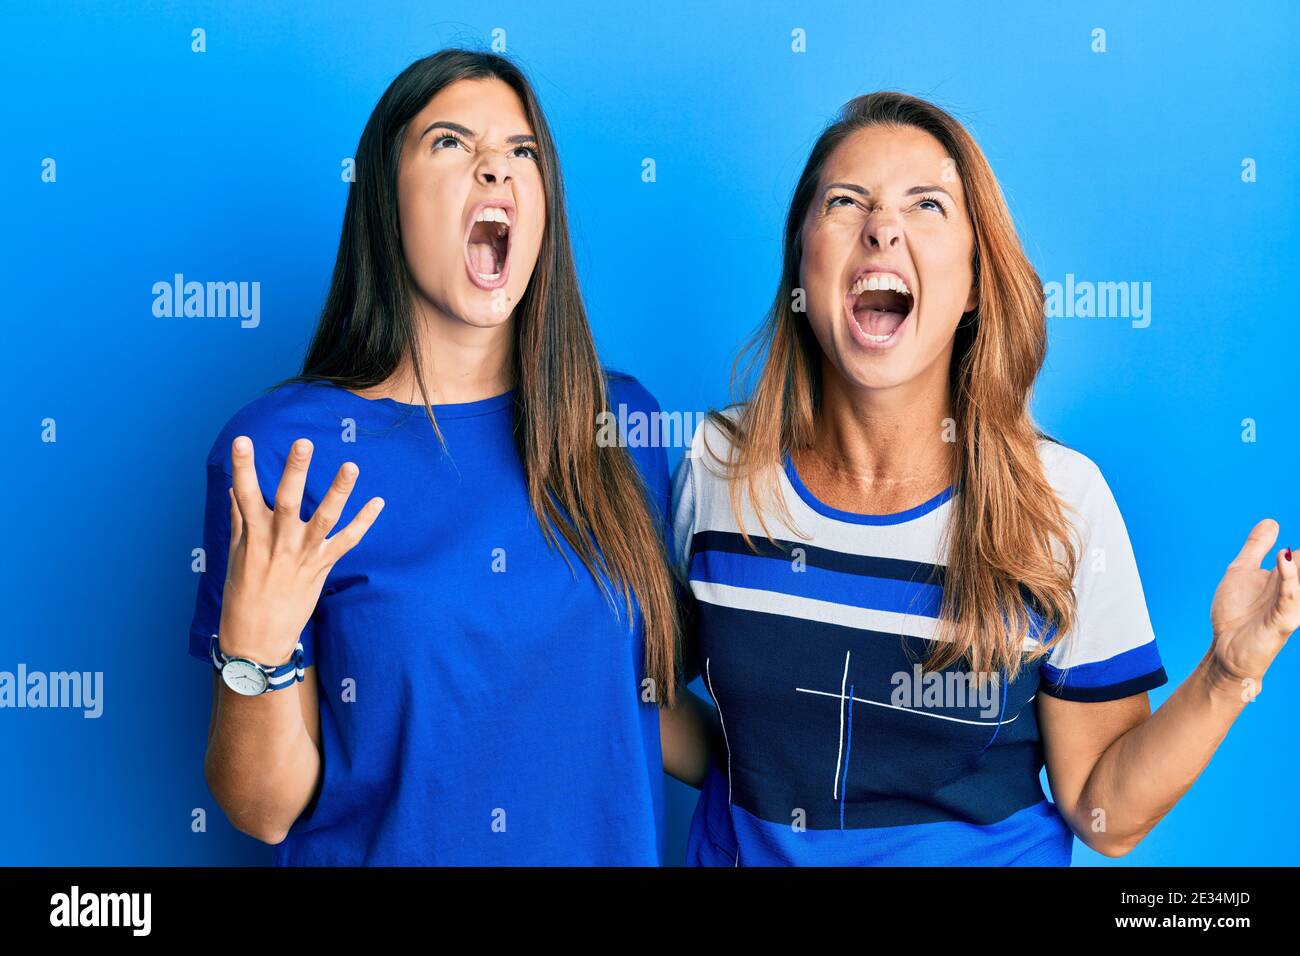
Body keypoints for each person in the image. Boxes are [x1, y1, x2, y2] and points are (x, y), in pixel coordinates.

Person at [671, 91, 1298, 866]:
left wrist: (1228, 674)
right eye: (844, 201)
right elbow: (644, 699)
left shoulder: (1059, 502)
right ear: (802, 261)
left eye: (927, 204)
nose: (882, 226)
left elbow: (1107, 817)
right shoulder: (717, 465)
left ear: (972, 284)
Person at [188, 49, 713, 865]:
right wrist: (254, 648)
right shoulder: (285, 456)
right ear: (385, 203)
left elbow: (638, 704)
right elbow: (264, 810)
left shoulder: (617, 425)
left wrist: (844, 771)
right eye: (451, 144)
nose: (496, 169)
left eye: (521, 152)